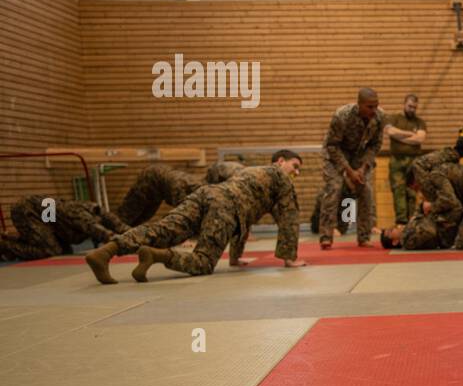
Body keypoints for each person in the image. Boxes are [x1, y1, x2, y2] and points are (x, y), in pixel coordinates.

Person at [84, 151, 305, 283]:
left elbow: (245, 218)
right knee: (203, 263)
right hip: (225, 207)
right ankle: (156, 256)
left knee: (164, 229)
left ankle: (105, 252)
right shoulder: (281, 180)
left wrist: (235, 258)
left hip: (205, 194)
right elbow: (289, 217)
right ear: (280, 161)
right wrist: (289, 258)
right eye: (295, 167)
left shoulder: (248, 172)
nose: (296, 173)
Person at [320, 88, 382, 249]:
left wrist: (363, 168)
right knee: (334, 188)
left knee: (366, 190)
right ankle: (326, 236)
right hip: (335, 155)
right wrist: (349, 171)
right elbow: (332, 146)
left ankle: (364, 237)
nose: (373, 110)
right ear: (359, 104)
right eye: (370, 107)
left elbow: (375, 145)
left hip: (358, 157)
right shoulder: (342, 116)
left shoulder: (380, 116)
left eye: (376, 105)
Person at [0, 197, 127, 261]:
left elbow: (120, 226)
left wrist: (136, 235)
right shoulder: (81, 216)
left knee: (65, 251)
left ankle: (12, 238)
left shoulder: (100, 212)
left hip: (47, 217)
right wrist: (125, 243)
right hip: (27, 211)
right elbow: (103, 234)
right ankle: (4, 245)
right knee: (50, 251)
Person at [385, 93, 427, 225]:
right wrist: (409, 134)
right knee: (398, 190)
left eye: (414, 107)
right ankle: (401, 221)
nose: (412, 109)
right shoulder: (394, 118)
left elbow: (420, 139)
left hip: (414, 161)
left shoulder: (420, 122)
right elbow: (390, 132)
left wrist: (399, 136)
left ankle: (411, 220)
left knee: (412, 191)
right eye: (409, 106)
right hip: (396, 160)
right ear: (404, 104)